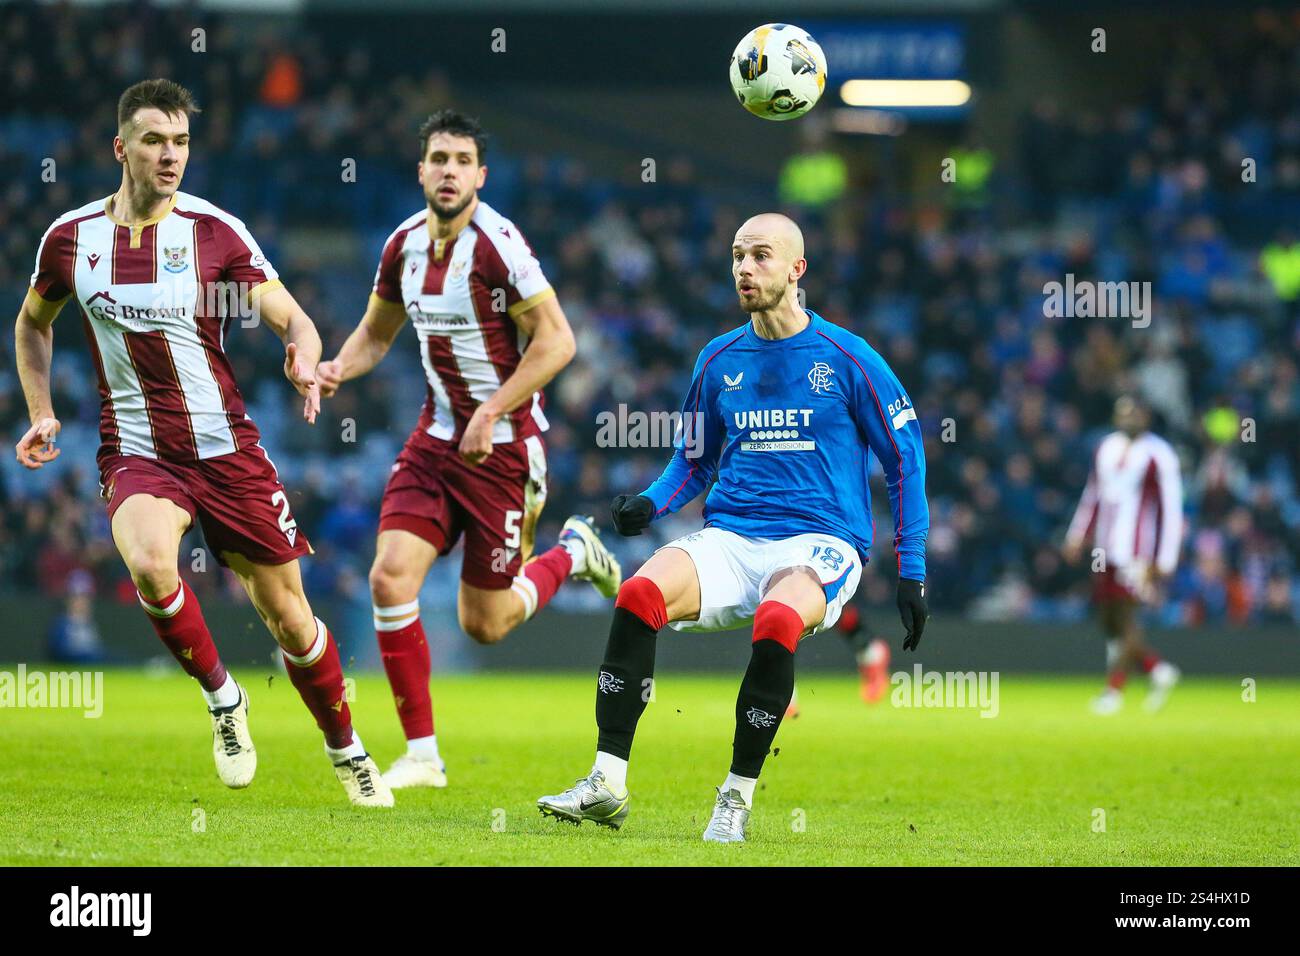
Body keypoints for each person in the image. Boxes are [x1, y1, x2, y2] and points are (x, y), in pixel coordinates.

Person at [13, 79, 392, 806]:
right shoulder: (71, 239)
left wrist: (303, 355)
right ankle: (224, 700)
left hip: (228, 452)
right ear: (121, 148)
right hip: (136, 449)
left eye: (181, 142)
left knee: (290, 618)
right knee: (153, 565)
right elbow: (34, 322)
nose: (170, 155)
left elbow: (293, 317)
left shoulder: (215, 231)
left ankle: (346, 747)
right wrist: (41, 409)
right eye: (154, 140)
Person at [537, 213, 930, 842]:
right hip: (731, 537)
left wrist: (912, 570)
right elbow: (693, 461)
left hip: (821, 543)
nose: (745, 268)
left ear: (798, 270)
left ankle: (735, 797)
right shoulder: (719, 360)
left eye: (762, 256)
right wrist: (651, 502)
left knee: (777, 619)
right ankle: (606, 782)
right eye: (738, 255)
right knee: (638, 593)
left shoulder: (849, 359)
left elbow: (905, 459)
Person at [316, 110, 621, 789]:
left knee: (484, 623)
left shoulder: (500, 246)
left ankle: (573, 551)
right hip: (433, 442)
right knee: (389, 577)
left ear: (481, 176)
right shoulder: (400, 246)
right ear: (421, 170)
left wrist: (490, 409)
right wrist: (338, 367)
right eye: (438, 158)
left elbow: (558, 341)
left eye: (462, 160)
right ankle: (422, 754)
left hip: (504, 456)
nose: (449, 170)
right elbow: (375, 333)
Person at [1063, 395, 1184, 714]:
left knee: (1127, 616)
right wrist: (1077, 535)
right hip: (1105, 548)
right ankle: (1156, 668)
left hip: (1137, 551)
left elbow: (1171, 509)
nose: (1128, 418)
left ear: (1145, 417)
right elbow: (1093, 494)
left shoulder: (1160, 454)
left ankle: (1113, 691)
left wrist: (1165, 558)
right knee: (1108, 618)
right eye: (1123, 413)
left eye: (1134, 413)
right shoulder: (1106, 447)